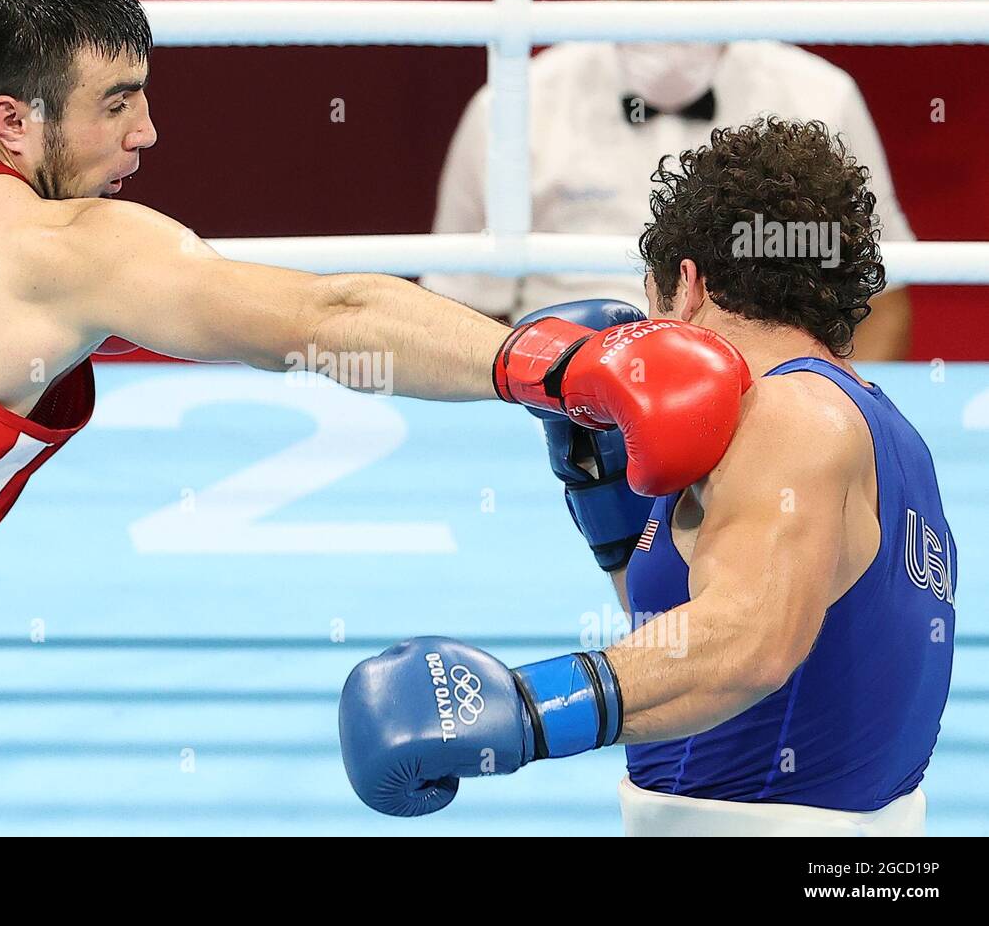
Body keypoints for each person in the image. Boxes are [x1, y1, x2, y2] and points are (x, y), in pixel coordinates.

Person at [0, 0, 746, 837]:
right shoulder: (61, 248)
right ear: (13, 122)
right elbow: (326, 321)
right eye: (114, 106)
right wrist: (552, 365)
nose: (145, 134)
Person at [340, 118, 956, 836]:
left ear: (686, 285)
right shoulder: (885, 433)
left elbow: (748, 642)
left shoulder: (789, 417)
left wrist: (527, 706)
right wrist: (613, 516)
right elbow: (719, 626)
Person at [423, 0, 915, 360]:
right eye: (649, 8)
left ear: (742, 4)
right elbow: (462, 308)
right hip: (566, 398)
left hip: (771, 401)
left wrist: (827, 417)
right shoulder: (513, 106)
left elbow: (883, 304)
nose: (674, 37)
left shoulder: (821, 99)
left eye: (702, 14)